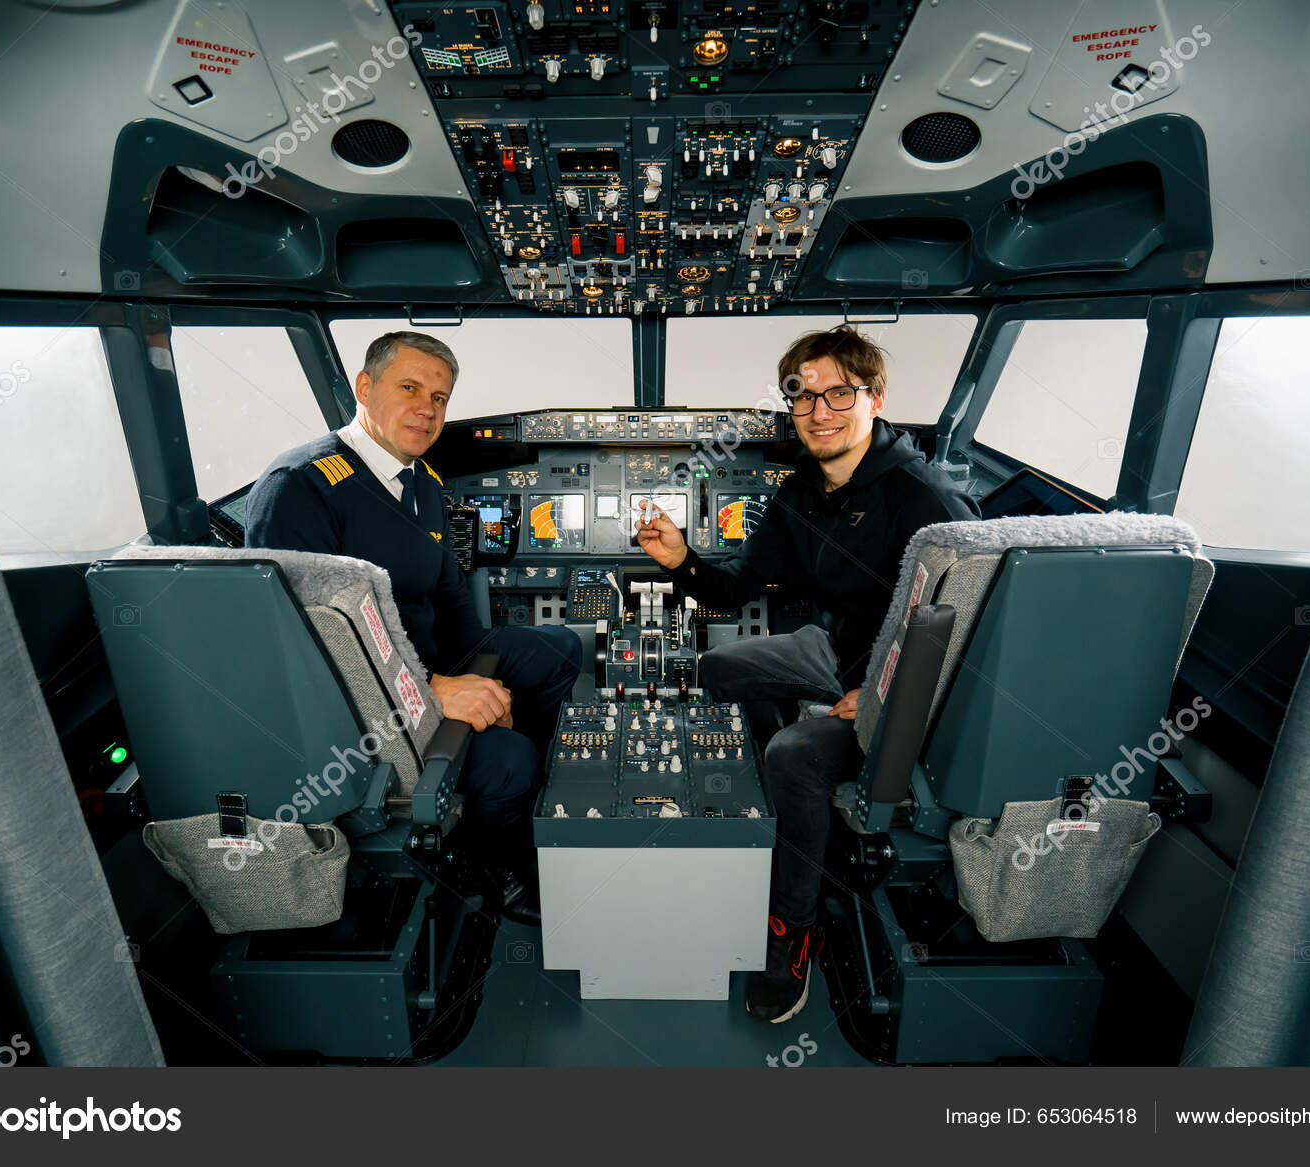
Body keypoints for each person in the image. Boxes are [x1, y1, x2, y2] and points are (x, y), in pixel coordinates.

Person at [635, 324, 979, 1023]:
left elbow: (969, 621)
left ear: (876, 398)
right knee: (718, 668)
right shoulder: (800, 492)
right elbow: (737, 588)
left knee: (795, 753)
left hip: (906, 690)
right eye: (803, 396)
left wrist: (881, 695)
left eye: (839, 393)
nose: (820, 411)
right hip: (837, 654)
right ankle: (781, 817)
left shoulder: (924, 501)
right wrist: (681, 560)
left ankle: (792, 927)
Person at [245, 330, 580, 910]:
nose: (428, 408)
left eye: (441, 397)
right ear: (365, 387)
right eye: (410, 387)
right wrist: (428, 693)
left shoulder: (423, 483)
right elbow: (291, 651)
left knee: (560, 650)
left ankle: (537, 794)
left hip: (429, 662)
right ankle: (490, 865)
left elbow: (448, 592)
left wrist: (488, 672)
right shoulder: (301, 486)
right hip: (361, 715)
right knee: (510, 763)